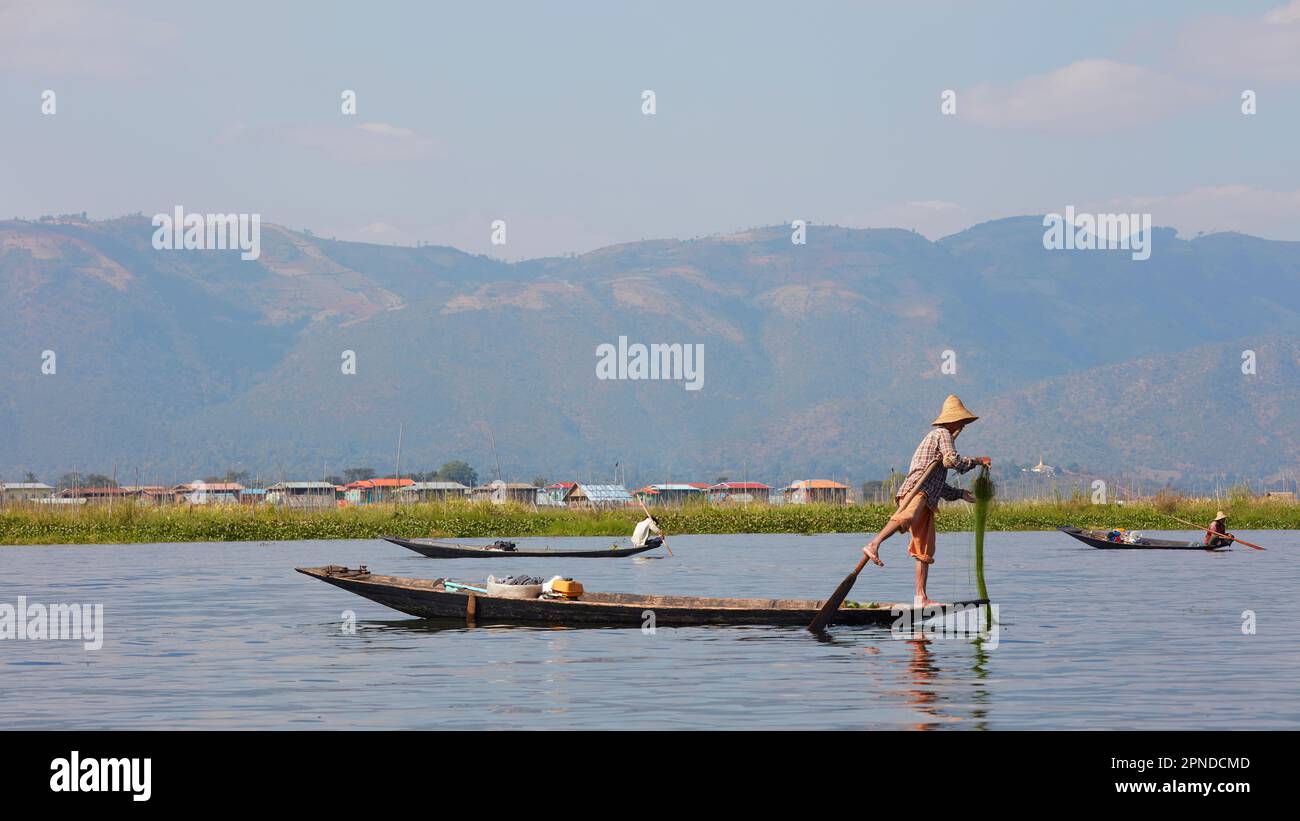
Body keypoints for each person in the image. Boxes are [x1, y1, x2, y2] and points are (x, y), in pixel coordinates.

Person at [862, 395, 991, 608]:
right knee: (907, 516)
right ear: (953, 421)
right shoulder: (942, 433)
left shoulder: (943, 438)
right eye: (961, 423)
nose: (962, 427)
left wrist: (960, 494)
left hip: (928, 496)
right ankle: (873, 544)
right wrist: (977, 461)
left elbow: (939, 485)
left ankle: (920, 597)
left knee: (925, 549)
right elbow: (952, 460)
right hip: (916, 491)